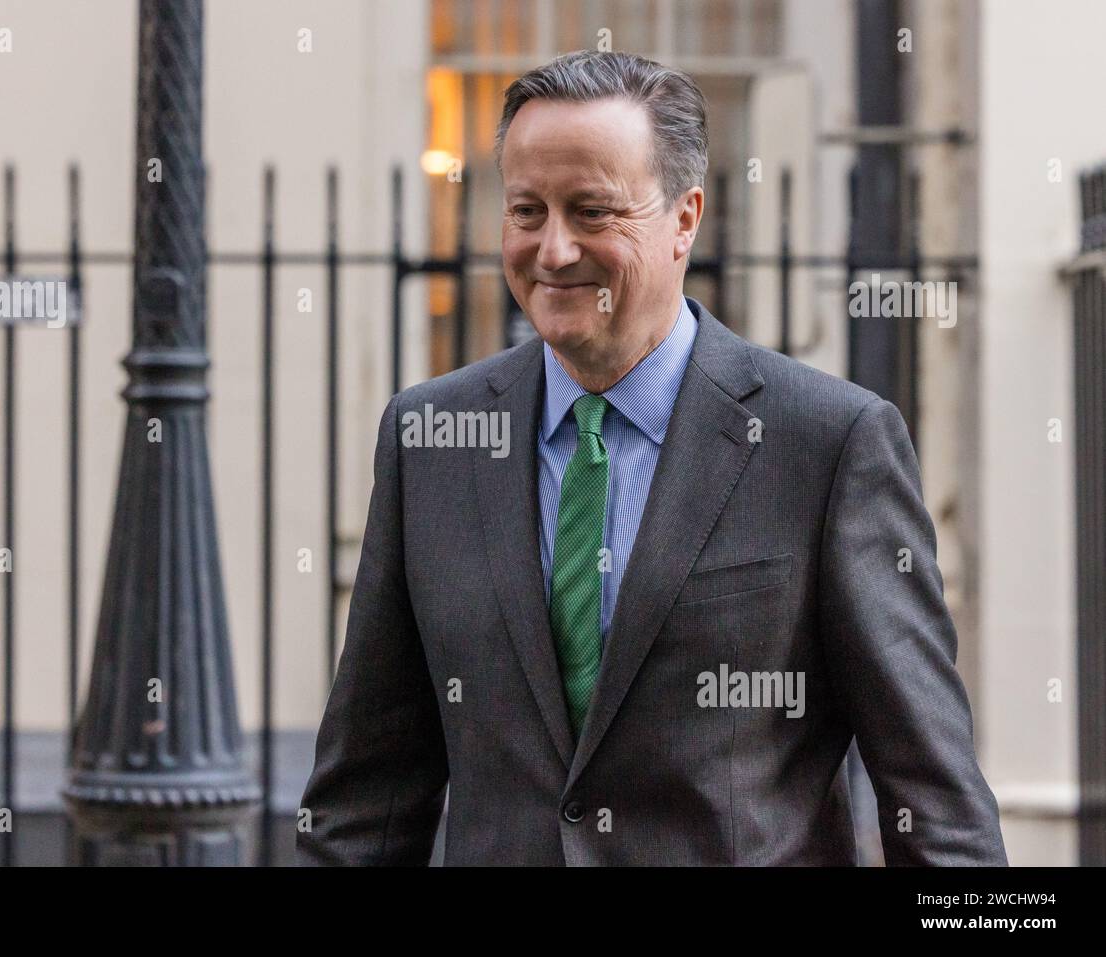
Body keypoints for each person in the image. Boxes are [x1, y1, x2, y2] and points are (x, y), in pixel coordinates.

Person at [296, 49, 1007, 866]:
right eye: (527, 210)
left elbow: (936, 802)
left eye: (592, 210)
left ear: (685, 218)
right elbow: (364, 800)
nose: (554, 249)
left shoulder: (829, 443)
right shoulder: (428, 438)